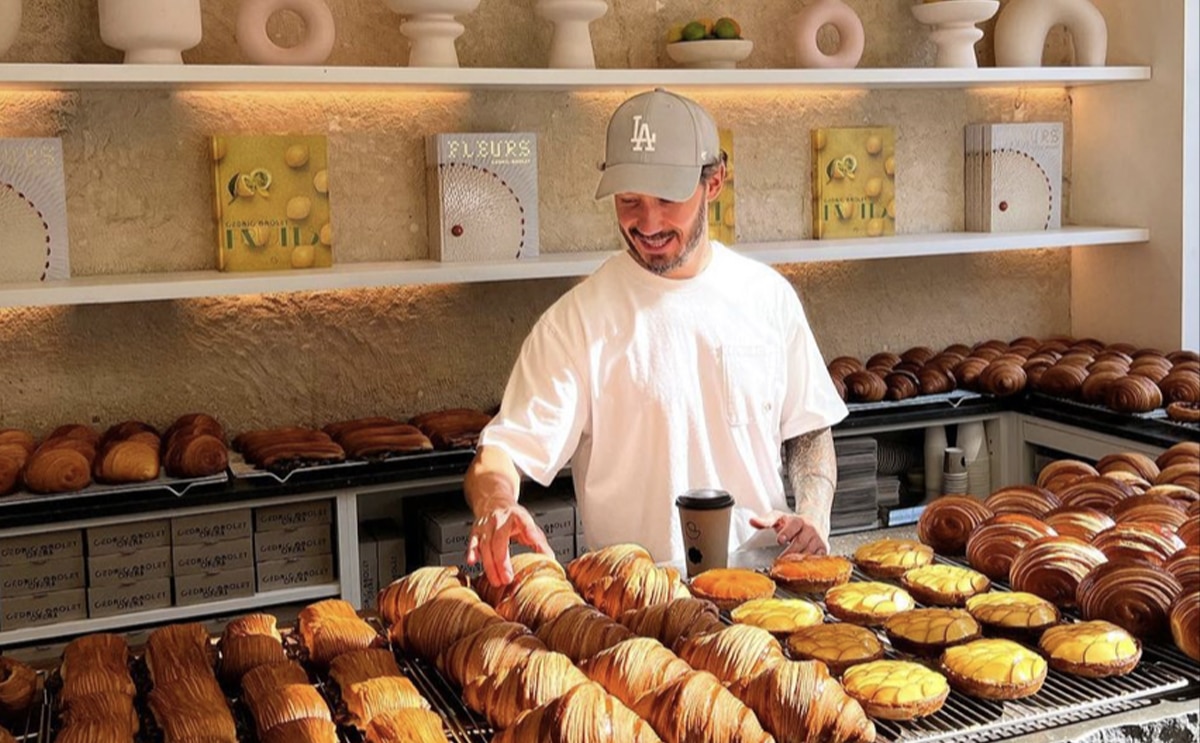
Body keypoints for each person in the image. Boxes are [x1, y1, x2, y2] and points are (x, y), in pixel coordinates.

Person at [464, 88, 848, 586]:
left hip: (764, 591)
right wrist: (496, 502)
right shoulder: (577, 322)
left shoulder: (768, 298)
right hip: (636, 605)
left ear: (714, 182)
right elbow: (502, 454)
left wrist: (814, 514)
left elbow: (809, 430)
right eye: (630, 201)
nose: (647, 223)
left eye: (667, 199)